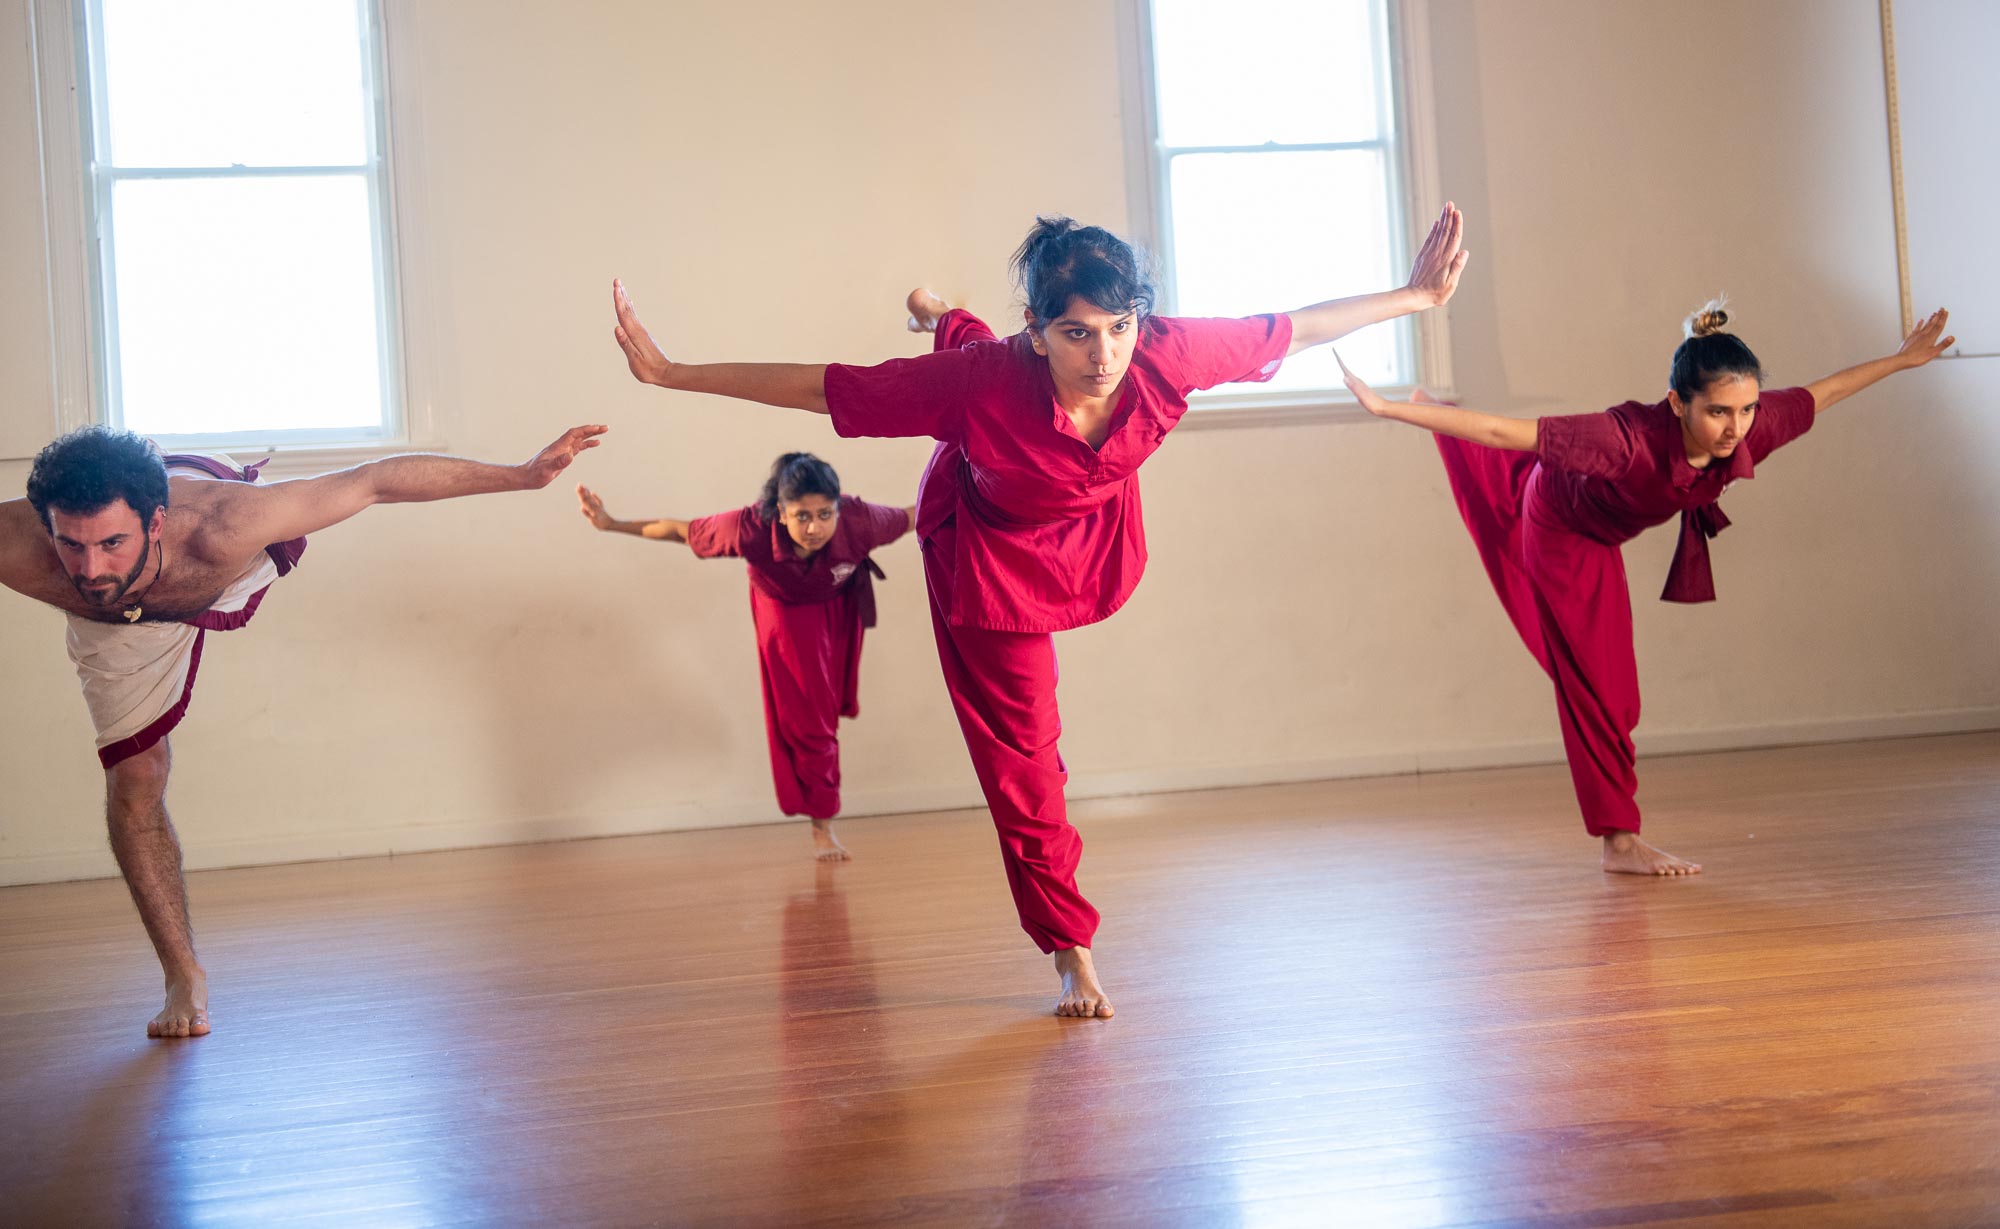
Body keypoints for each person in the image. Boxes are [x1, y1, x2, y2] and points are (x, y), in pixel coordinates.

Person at [607, 204, 1469, 1016]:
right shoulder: (986, 382)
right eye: (1077, 333)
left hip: (1087, 533)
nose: (1105, 355)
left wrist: (1418, 295)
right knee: (1026, 754)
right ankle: (1069, 943)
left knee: (970, 346)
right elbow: (824, 387)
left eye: (1120, 327)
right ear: (1040, 328)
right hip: (986, 552)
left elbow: (1298, 325)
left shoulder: (1167, 352)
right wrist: (672, 373)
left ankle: (941, 309)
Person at [2, 423, 606, 1037]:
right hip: (127, 629)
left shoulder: (227, 524)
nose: (89, 567)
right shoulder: (16, 544)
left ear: (154, 524)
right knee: (136, 780)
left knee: (233, 533)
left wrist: (520, 475)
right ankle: (183, 975)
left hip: (205, 563)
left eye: (111, 543)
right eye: (70, 545)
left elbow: (376, 482)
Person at [1335, 303, 1956, 874]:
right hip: (1564, 529)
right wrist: (1389, 410)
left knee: (1609, 688)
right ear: (1677, 403)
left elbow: (1826, 392)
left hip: (1601, 524)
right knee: (1605, 691)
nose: (1735, 428)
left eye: (1745, 409)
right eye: (1717, 412)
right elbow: (1505, 433)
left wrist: (1903, 359)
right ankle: (1620, 845)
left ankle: (1620, 837)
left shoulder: (1752, 426)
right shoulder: (1621, 438)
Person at [575, 452, 914, 859]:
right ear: (781, 513)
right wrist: (610, 524)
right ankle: (822, 826)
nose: (815, 527)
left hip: (839, 604)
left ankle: (822, 802)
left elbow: (920, 511)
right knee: (812, 720)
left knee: (832, 702)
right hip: (785, 612)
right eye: (801, 516)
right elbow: (681, 531)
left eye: (825, 514)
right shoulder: (751, 527)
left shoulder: (862, 521)